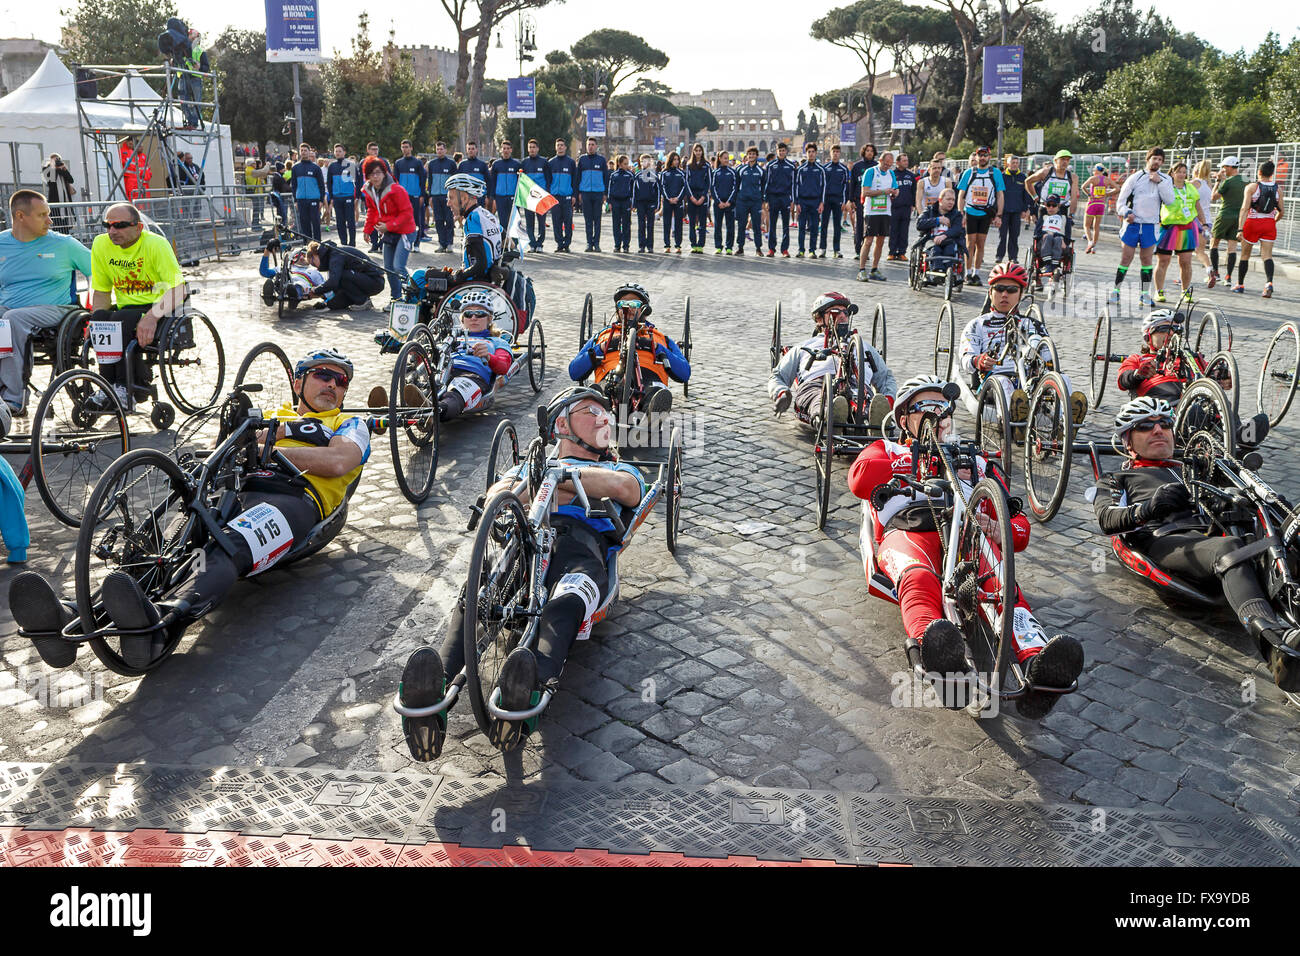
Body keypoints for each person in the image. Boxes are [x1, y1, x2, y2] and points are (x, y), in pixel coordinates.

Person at [11, 349, 369, 671]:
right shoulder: (269, 415)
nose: (332, 385)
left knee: (229, 545)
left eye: (341, 380)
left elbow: (339, 461)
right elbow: (221, 449)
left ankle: (161, 626)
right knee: (171, 549)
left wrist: (272, 450)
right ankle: (73, 613)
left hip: (293, 498)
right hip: (232, 489)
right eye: (323, 374)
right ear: (298, 380)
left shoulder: (348, 424)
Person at [398, 385, 646, 758]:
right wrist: (547, 484)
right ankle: (434, 690)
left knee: (565, 601)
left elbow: (624, 489)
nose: (604, 418)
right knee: (478, 594)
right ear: (562, 423)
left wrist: (554, 480)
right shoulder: (524, 466)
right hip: (524, 544)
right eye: (591, 411)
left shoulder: (614, 465)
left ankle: (528, 687)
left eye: (607, 414)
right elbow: (497, 496)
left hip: (581, 547)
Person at [847, 374, 1084, 717]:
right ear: (903, 419)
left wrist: (997, 528)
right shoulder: (887, 449)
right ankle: (937, 650)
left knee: (1003, 584)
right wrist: (917, 455)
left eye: (942, 407)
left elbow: (1018, 527)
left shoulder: (976, 460)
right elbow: (859, 478)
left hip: (970, 534)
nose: (935, 415)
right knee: (918, 578)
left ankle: (1040, 667)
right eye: (924, 407)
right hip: (909, 530)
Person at [1093, 397, 1299, 691]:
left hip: (1222, 531)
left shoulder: (1196, 465)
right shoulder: (1119, 477)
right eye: (1145, 426)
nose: (1158, 430)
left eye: (1164, 423)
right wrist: (1149, 507)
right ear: (1128, 441)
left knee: (1283, 536)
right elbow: (1107, 517)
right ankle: (1273, 645)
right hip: (1168, 540)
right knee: (1229, 548)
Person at [957, 261, 1087, 426]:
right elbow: (966, 359)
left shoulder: (1032, 324)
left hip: (1030, 381)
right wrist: (978, 361)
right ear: (990, 292)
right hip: (994, 382)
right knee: (1003, 383)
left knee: (1063, 378)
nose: (1004, 294)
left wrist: (1043, 364)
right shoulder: (977, 325)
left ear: (1020, 294)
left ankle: (1065, 422)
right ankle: (1014, 418)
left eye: (1011, 290)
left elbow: (1049, 357)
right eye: (999, 289)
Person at [85, 202, 187, 411]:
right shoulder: (101, 244)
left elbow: (179, 289)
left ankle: (127, 387)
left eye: (120, 225)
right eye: (108, 225)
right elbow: (103, 291)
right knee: (101, 320)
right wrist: (94, 322)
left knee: (120, 322)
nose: (113, 231)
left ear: (138, 227)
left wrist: (151, 317)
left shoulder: (156, 245)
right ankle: (106, 385)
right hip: (125, 308)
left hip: (157, 305)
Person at [0, 190, 92, 414]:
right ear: (20, 216)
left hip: (56, 310)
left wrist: (96, 306)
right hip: (9, 308)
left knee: (10, 320)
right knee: (7, 318)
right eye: (42, 215)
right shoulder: (2, 243)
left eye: (48, 214)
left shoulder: (65, 245)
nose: (50, 220)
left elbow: (100, 273)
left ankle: (14, 399)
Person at [767, 291, 894, 425]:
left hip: (857, 385)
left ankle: (874, 419)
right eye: (835, 311)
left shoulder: (864, 346)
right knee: (818, 400)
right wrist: (781, 393)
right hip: (816, 384)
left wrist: (889, 399)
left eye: (846, 312)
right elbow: (777, 375)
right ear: (819, 318)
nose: (842, 316)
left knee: (866, 401)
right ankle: (827, 416)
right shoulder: (804, 346)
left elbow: (886, 377)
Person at [569, 283, 689, 415]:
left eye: (634, 304)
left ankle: (652, 414)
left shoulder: (659, 337)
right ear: (617, 308)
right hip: (611, 377)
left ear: (644, 309)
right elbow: (574, 371)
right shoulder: (603, 335)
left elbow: (684, 373)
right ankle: (599, 402)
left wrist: (658, 348)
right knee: (602, 390)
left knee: (655, 391)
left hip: (649, 377)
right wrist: (601, 348)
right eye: (622, 304)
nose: (628, 308)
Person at [1113, 147, 1175, 306]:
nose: (1157, 162)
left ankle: (1144, 294)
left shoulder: (1166, 179)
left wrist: (1159, 182)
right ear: (1148, 159)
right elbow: (1121, 201)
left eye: (1160, 160)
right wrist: (1126, 212)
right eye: (1155, 158)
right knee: (1126, 257)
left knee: (1146, 259)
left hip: (1151, 225)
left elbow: (1169, 201)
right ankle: (1116, 291)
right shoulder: (1135, 177)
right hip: (1132, 224)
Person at [360, 157, 416, 303]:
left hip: (405, 231)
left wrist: (389, 226)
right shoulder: (370, 190)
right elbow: (371, 210)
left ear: (385, 173)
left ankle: (414, 295)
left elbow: (407, 213)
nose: (376, 176)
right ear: (367, 176)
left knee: (398, 267)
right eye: (372, 174)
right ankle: (396, 299)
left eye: (378, 172)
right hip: (389, 232)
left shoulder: (397, 190)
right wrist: (367, 229)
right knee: (389, 268)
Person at [1152, 161, 1209, 304]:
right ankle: (1159, 291)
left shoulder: (1190, 188)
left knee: (1185, 261)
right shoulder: (1166, 187)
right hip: (1168, 228)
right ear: (1172, 173)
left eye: (1184, 172)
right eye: (1179, 172)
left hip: (1186, 228)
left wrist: (1204, 224)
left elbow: (1198, 207)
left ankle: (1185, 291)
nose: (1182, 175)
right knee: (1163, 261)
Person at [955, 146, 1005, 286]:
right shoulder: (969, 173)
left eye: (985, 155)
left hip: (986, 213)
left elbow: (1000, 194)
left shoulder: (995, 173)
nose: (982, 158)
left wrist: (999, 215)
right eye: (980, 155)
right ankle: (967, 273)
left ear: (989, 157)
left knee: (981, 244)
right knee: (969, 243)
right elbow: (961, 194)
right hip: (971, 211)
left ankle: (976, 273)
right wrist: (961, 213)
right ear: (976, 157)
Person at [443, 172, 503, 288]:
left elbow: (481, 265)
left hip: (476, 286)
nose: (448, 203)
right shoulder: (486, 215)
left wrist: (457, 277)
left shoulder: (472, 219)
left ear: (465, 198)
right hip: (489, 281)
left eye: (451, 198)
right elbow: (508, 243)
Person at [1235, 159, 1283, 297]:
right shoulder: (1278, 189)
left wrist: (1240, 229)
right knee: (1267, 255)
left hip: (1252, 223)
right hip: (1269, 223)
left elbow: (1244, 208)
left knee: (1245, 255)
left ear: (1259, 172)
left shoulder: (1252, 187)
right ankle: (1269, 283)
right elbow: (1282, 212)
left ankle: (1240, 285)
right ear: (1272, 173)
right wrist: (1273, 221)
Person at [308, 242, 386, 311]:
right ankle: (358, 299)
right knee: (333, 304)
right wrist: (324, 298)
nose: (316, 268)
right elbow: (334, 286)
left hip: (375, 281)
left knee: (342, 276)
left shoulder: (335, 254)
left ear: (315, 255)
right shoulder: (331, 256)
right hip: (364, 280)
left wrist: (316, 290)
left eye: (313, 264)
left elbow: (333, 282)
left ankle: (363, 301)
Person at [857, 150, 897, 281]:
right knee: (868, 240)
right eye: (885, 164)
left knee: (880, 241)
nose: (887, 167)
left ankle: (874, 269)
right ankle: (862, 270)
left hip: (885, 211)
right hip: (871, 211)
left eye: (890, 164)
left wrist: (895, 192)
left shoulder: (891, 173)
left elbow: (896, 188)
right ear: (880, 160)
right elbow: (865, 192)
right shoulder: (871, 172)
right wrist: (883, 191)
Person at [1208, 157, 1245, 289]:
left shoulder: (1227, 182)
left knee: (1214, 243)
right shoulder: (1245, 180)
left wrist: (1218, 181)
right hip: (1239, 217)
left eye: (1224, 167)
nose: (1222, 169)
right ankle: (1228, 277)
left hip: (1224, 215)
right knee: (1232, 248)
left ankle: (1216, 273)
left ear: (1229, 167)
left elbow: (1214, 197)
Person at [258, 237, 325, 308]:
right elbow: (264, 271)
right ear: (292, 258)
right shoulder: (283, 268)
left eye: (304, 256)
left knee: (298, 285)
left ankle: (294, 296)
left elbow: (325, 288)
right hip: (283, 283)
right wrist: (267, 250)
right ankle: (269, 295)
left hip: (301, 286)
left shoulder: (313, 271)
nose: (301, 258)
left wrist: (323, 302)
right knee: (274, 279)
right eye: (298, 256)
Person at [914, 188, 966, 273]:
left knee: (950, 250)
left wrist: (944, 235)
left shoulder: (956, 214)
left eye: (953, 200)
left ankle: (949, 271)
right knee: (935, 250)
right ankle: (937, 270)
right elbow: (919, 224)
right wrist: (937, 220)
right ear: (940, 200)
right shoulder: (929, 210)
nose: (951, 202)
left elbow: (958, 229)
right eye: (948, 199)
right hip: (931, 240)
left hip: (949, 240)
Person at [1029, 193, 1073, 291]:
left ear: (1058, 206)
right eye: (1048, 205)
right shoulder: (1043, 218)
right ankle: (1047, 264)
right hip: (1044, 243)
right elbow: (1037, 232)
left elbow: (1068, 235)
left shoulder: (1065, 219)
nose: (1051, 208)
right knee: (1048, 237)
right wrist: (1044, 234)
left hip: (1060, 244)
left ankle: (1054, 265)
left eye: (1054, 205)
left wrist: (1063, 240)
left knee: (1057, 239)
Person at [393, 141, 428, 252]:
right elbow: (395, 181)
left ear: (411, 148)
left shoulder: (417, 163)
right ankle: (405, 242)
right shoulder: (398, 163)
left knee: (416, 220)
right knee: (402, 220)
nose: (404, 149)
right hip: (402, 197)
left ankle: (416, 244)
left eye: (406, 147)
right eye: (403, 147)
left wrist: (422, 195)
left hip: (415, 196)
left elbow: (423, 180)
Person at [793, 143, 826, 258]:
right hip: (803, 202)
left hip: (816, 202)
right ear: (806, 154)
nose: (811, 154)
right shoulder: (801, 169)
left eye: (813, 152)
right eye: (809, 152)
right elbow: (796, 186)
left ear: (816, 153)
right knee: (801, 227)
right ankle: (801, 250)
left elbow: (823, 187)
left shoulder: (821, 169)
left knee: (814, 227)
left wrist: (822, 202)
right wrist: (797, 203)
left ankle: (812, 250)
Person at [577, 138, 610, 253]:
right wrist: (579, 193)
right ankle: (589, 243)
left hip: (598, 193)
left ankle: (597, 243)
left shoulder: (601, 160)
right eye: (588, 145)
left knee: (597, 219)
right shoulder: (582, 159)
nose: (590, 146)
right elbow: (578, 178)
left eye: (592, 144)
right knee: (588, 220)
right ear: (586, 146)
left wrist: (605, 193)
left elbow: (606, 178)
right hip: (585, 193)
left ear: (596, 146)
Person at [764, 142, 797, 257]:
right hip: (773, 198)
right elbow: (766, 183)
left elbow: (794, 184)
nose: (781, 152)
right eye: (779, 150)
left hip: (785, 198)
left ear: (786, 151)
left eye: (783, 150)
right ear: (776, 151)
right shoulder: (770, 165)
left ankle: (784, 250)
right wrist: (766, 200)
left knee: (785, 226)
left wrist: (793, 200)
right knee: (772, 225)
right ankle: (771, 249)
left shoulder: (791, 166)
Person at [995, 154, 1029, 264]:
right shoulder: (1002, 176)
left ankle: (1013, 257)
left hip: (1016, 212)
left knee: (1014, 235)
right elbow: (997, 195)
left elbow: (1026, 195)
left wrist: (1024, 209)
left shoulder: (1023, 177)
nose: (1015, 165)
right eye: (1013, 163)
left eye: (1016, 163)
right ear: (1008, 164)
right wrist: (997, 212)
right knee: (1002, 235)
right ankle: (999, 256)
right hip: (1004, 211)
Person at [427, 142, 458, 253]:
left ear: (445, 150)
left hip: (448, 197)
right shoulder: (432, 164)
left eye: (441, 149)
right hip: (435, 196)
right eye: (437, 149)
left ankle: (449, 244)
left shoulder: (451, 164)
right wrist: (430, 195)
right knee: (439, 221)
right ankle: (441, 243)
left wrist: (453, 196)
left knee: (449, 220)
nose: (439, 151)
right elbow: (430, 180)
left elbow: (455, 181)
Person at [326, 144, 360, 247]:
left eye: (340, 151)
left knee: (350, 221)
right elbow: (329, 182)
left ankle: (352, 243)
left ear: (344, 152)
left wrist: (357, 197)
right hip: (337, 198)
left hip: (349, 197)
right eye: (336, 151)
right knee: (340, 222)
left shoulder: (350, 165)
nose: (338, 153)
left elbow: (358, 181)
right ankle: (343, 243)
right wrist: (331, 197)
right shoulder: (332, 166)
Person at [520, 139, 550, 253]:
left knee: (541, 222)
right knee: (529, 222)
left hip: (541, 197)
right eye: (530, 147)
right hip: (528, 198)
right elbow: (521, 180)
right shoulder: (524, 163)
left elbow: (548, 179)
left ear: (537, 149)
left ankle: (540, 244)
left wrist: (546, 194)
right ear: (528, 149)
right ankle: (532, 244)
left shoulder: (544, 162)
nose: (532, 149)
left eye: (534, 147)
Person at [487, 140, 522, 237]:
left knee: (514, 221)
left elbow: (521, 182)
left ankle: (514, 245)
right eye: (504, 148)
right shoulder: (496, 164)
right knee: (502, 222)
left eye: (508, 148)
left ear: (511, 150)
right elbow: (492, 182)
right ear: (501, 150)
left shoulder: (517, 164)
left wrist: (518, 196)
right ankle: (504, 245)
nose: (506, 150)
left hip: (513, 198)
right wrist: (492, 197)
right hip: (500, 197)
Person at [547, 138, 577, 252]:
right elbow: (548, 181)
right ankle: (559, 244)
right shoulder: (551, 163)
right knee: (556, 222)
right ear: (555, 147)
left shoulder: (570, 162)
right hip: (555, 197)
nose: (560, 147)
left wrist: (574, 195)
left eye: (562, 145)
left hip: (567, 197)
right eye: (558, 145)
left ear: (565, 147)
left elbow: (575, 180)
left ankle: (567, 244)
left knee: (568, 222)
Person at [734, 146, 766, 256]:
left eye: (753, 154)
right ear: (747, 156)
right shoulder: (740, 169)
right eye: (749, 154)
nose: (751, 156)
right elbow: (736, 185)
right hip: (742, 201)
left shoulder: (761, 171)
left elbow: (763, 186)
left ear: (757, 156)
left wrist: (762, 200)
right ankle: (740, 247)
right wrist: (737, 199)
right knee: (741, 225)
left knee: (757, 226)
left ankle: (758, 248)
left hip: (756, 202)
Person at [291, 144, 325, 242]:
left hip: (314, 199)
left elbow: (321, 185)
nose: (303, 152)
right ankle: (307, 245)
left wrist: (321, 200)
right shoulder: (295, 168)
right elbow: (294, 185)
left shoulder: (315, 168)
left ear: (309, 152)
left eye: (305, 150)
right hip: (301, 200)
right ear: (299, 152)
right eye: (302, 150)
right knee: (304, 224)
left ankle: (318, 244)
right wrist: (296, 200)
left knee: (315, 223)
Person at [821, 144, 850, 258]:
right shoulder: (825, 168)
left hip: (838, 200)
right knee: (824, 224)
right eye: (834, 152)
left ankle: (836, 249)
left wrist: (844, 201)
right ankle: (823, 249)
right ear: (830, 153)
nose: (836, 154)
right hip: (826, 199)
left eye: (838, 152)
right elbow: (822, 186)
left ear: (840, 153)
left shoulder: (844, 169)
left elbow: (846, 187)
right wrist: (821, 201)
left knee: (837, 225)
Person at [682, 143, 711, 254]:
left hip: (702, 196)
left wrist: (703, 196)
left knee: (702, 223)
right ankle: (693, 244)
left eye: (700, 150)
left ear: (702, 152)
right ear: (693, 152)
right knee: (692, 222)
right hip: (692, 196)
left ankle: (700, 245)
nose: (698, 152)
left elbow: (709, 182)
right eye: (696, 150)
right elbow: (686, 182)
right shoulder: (689, 165)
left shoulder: (707, 165)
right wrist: (691, 197)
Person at [887, 152, 916, 261]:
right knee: (893, 230)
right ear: (898, 162)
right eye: (904, 160)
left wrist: (913, 204)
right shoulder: (892, 174)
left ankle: (902, 252)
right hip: (894, 207)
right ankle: (892, 252)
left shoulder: (911, 175)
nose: (906, 162)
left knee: (904, 231)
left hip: (906, 207)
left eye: (907, 160)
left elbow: (914, 191)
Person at [1081, 163, 1116, 254]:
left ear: (1096, 170)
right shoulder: (1107, 180)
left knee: (1086, 225)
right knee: (1096, 226)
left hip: (1092, 203)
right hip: (1101, 204)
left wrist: (1089, 194)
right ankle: (1094, 247)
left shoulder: (1093, 178)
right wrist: (1107, 194)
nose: (1093, 171)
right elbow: (1117, 188)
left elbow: (1083, 187)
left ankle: (1090, 242)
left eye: (1094, 169)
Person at [850, 143, 878, 256]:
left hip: (874, 200)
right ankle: (858, 249)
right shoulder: (857, 166)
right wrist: (851, 199)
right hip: (860, 200)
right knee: (860, 224)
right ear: (864, 152)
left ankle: (866, 251)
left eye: (871, 151)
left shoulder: (877, 166)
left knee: (870, 226)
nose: (869, 153)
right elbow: (852, 183)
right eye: (867, 151)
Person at [1190, 159, 1214, 275]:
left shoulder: (1194, 183)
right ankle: (1209, 268)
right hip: (1207, 221)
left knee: (1187, 251)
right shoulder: (1208, 184)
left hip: (1195, 220)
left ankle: (1182, 277)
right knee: (1201, 251)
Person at [606, 153, 635, 253]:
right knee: (616, 224)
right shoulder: (613, 175)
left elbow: (633, 190)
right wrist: (609, 202)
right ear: (620, 164)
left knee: (626, 224)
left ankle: (626, 245)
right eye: (625, 164)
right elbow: (609, 189)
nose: (627, 165)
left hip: (626, 201)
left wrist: (632, 203)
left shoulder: (630, 175)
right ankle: (617, 245)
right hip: (615, 202)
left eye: (627, 164)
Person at [659, 152, 687, 253]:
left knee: (679, 224)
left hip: (678, 202)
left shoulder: (682, 173)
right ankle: (667, 245)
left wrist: (677, 198)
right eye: (674, 159)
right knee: (667, 223)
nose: (676, 161)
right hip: (667, 201)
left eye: (677, 159)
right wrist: (668, 198)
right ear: (670, 160)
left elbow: (684, 187)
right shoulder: (664, 173)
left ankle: (678, 245)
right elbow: (662, 187)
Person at [711, 150, 738, 254]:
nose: (726, 160)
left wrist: (729, 202)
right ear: (720, 159)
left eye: (727, 158)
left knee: (730, 226)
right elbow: (713, 189)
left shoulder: (733, 172)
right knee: (717, 226)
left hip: (729, 204)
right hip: (718, 204)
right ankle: (718, 246)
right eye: (724, 158)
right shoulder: (715, 173)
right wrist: (719, 202)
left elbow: (735, 188)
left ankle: (729, 247)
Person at [632, 153, 659, 253]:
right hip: (640, 203)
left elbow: (657, 190)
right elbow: (635, 190)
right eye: (643, 161)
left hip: (651, 202)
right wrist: (634, 204)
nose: (646, 163)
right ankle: (641, 245)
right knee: (641, 224)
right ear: (640, 162)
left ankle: (650, 246)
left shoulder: (654, 175)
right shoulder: (638, 175)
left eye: (648, 161)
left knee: (650, 225)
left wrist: (657, 205)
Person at [41, 154, 75, 234]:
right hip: (55, 201)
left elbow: (71, 180)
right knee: (57, 224)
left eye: (58, 159)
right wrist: (55, 167)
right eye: (54, 160)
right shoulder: (46, 169)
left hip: (65, 202)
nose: (56, 161)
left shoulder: (62, 169)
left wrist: (64, 169)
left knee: (66, 226)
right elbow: (52, 180)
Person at [269, 162, 293, 229]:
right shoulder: (278, 177)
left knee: (281, 214)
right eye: (283, 169)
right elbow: (284, 187)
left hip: (280, 198)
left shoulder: (278, 177)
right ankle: (282, 229)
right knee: (282, 214)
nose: (284, 171)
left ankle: (280, 228)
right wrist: (291, 189)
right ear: (280, 170)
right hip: (281, 199)